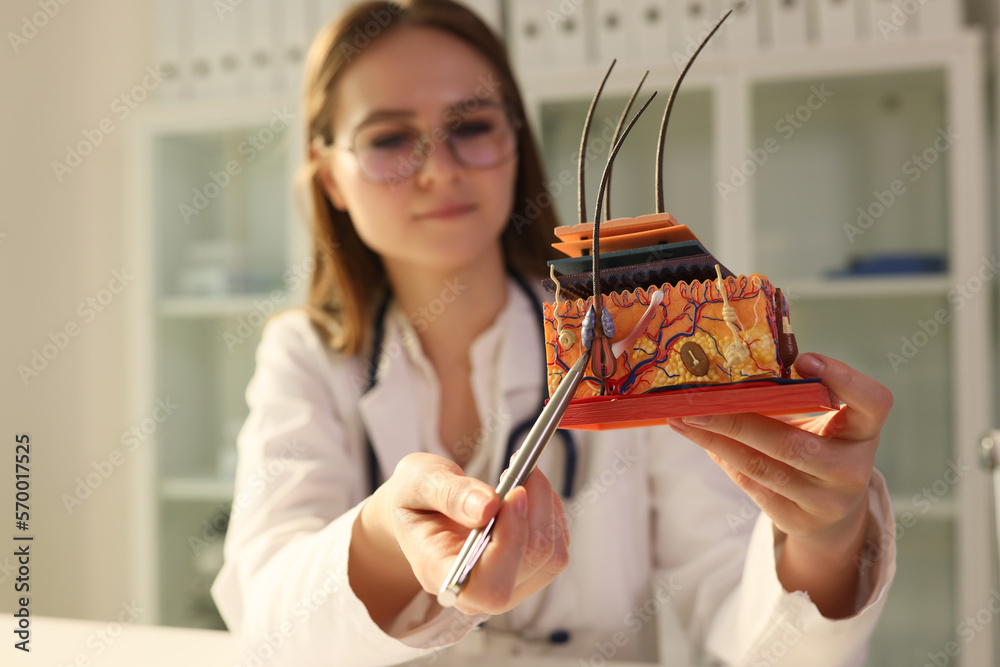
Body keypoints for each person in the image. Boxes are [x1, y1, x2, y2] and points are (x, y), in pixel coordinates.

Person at [211, 1, 897, 665]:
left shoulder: (630, 337)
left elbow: (745, 620)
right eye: (389, 138)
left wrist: (825, 540)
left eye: (472, 126)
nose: (440, 168)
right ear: (330, 174)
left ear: (515, 140)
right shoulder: (304, 356)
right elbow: (268, 626)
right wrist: (388, 540)